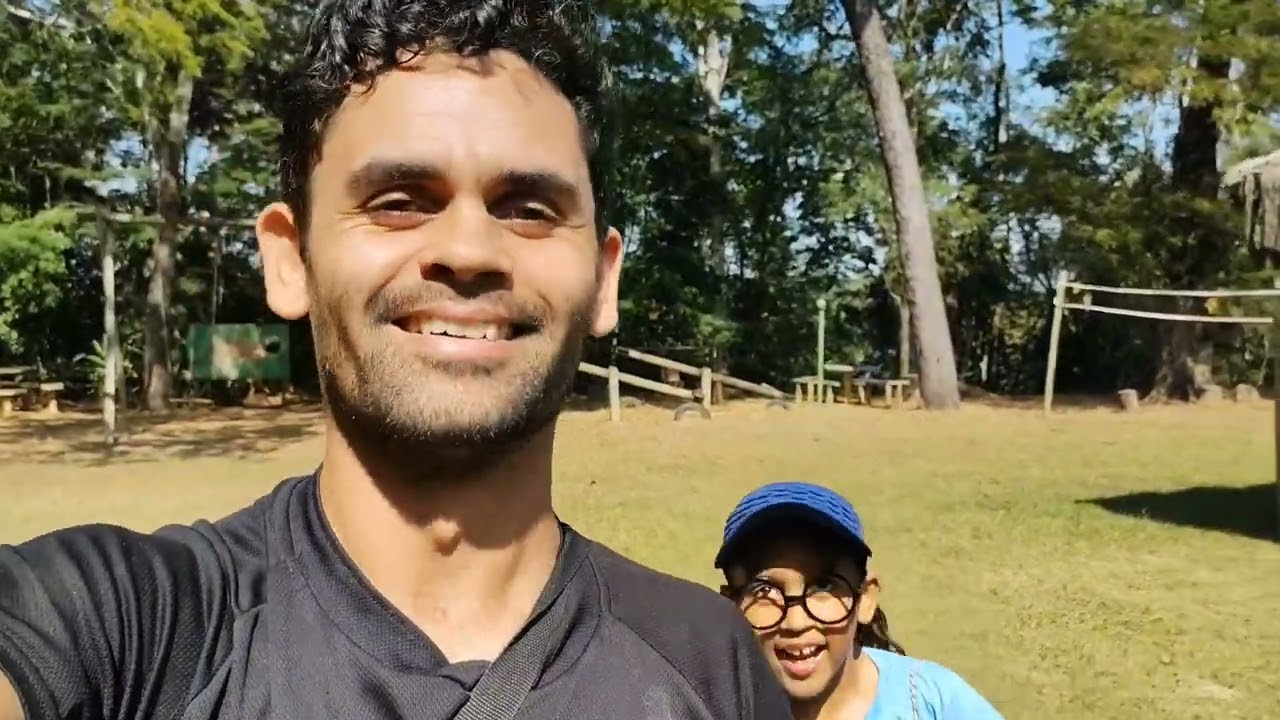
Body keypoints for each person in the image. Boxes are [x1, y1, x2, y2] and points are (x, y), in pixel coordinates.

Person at [0, 2, 793, 719]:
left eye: (529, 209)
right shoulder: (124, 626)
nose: (469, 250)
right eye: (399, 201)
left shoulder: (711, 665)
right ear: (290, 259)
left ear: (603, 280)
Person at [714, 482, 1004, 720]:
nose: (796, 622)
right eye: (765, 591)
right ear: (730, 608)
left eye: (824, 586)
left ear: (865, 598)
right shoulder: (707, 707)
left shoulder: (933, 702)